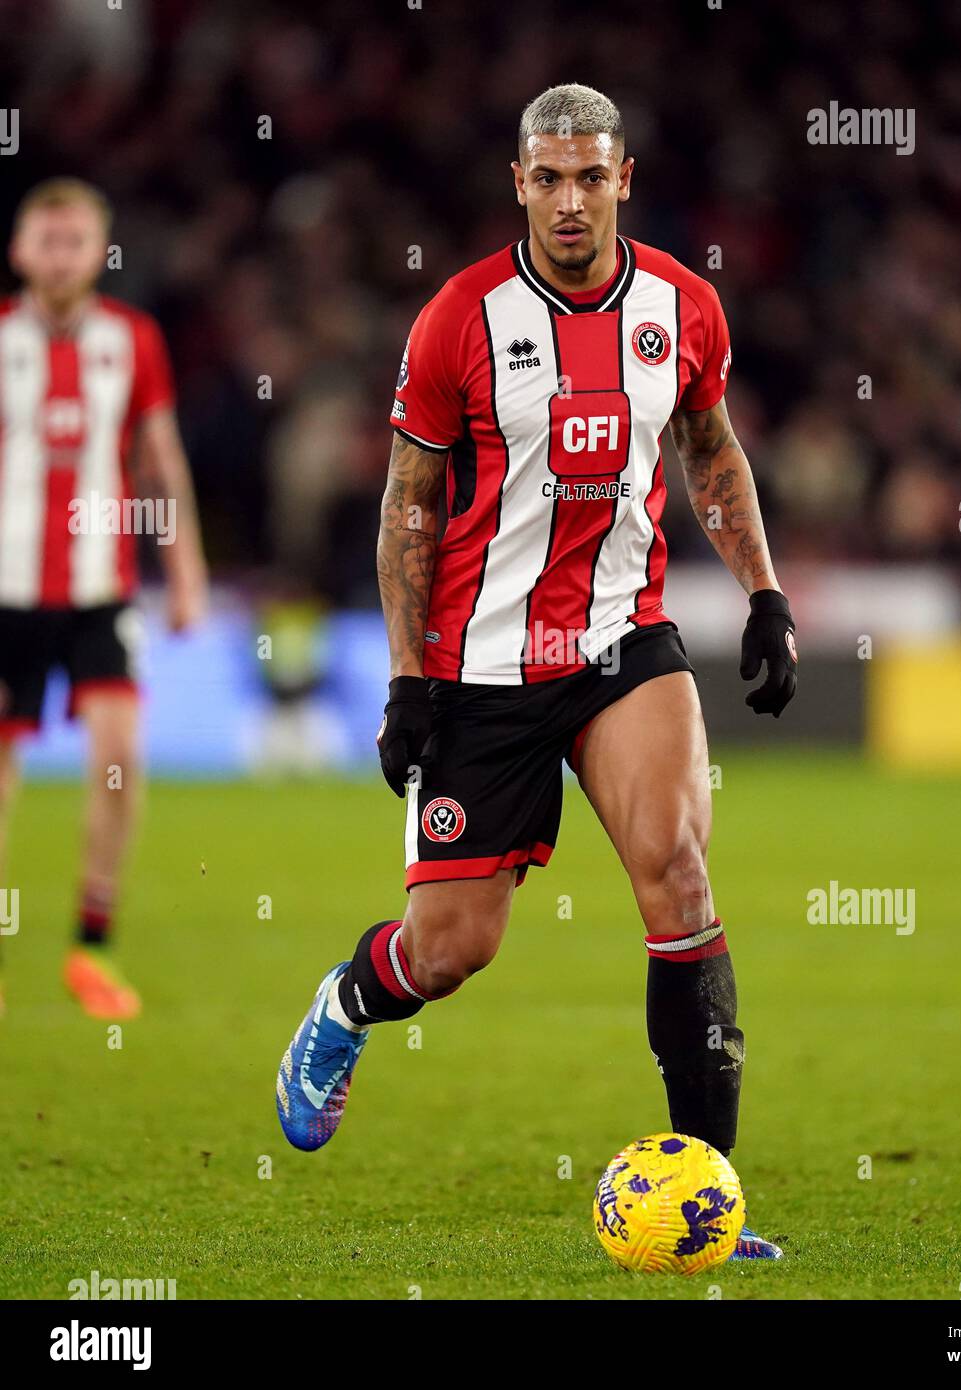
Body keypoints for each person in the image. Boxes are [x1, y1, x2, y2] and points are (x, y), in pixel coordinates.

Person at [276, 85, 797, 1260]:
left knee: (677, 872)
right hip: (481, 665)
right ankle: (347, 1004)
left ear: (624, 180)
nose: (570, 200)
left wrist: (764, 592)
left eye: (591, 178)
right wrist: (409, 680)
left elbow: (709, 450)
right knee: (452, 948)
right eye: (548, 179)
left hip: (623, 640)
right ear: (518, 183)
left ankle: (709, 1199)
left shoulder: (684, 305)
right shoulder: (458, 319)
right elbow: (408, 509)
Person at [0, 179, 208, 1019]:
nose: (60, 254)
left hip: (100, 592)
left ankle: (91, 946)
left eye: (75, 239)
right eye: (46, 239)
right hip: (6, 591)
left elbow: (160, 456)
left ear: (99, 250)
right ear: (20, 250)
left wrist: (185, 568)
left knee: (121, 764)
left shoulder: (132, 339)